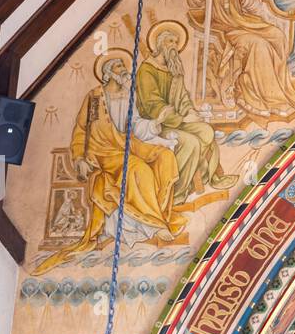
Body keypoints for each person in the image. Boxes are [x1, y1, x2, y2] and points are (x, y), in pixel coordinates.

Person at [31, 52, 185, 274]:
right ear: (108, 72)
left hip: (127, 145)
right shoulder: (95, 98)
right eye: (119, 66)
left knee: (164, 157)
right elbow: (82, 130)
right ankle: (154, 224)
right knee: (137, 169)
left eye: (124, 65)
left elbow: (135, 125)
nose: (124, 70)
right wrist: (79, 158)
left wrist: (155, 124)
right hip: (103, 153)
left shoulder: (127, 95)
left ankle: (158, 216)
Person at [188, 0, 295, 119]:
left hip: (244, 22)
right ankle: (264, 96)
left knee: (277, 35)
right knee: (258, 44)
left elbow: (256, 2)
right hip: (226, 28)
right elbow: (195, 0)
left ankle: (282, 89)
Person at [136, 21, 235, 202]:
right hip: (155, 126)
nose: (173, 46)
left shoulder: (174, 70)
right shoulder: (146, 70)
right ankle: (175, 194)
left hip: (177, 121)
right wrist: (181, 118)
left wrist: (190, 113)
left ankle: (211, 177)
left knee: (206, 131)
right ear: (159, 44)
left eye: (175, 42)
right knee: (191, 143)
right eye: (170, 42)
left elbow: (182, 98)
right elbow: (152, 105)